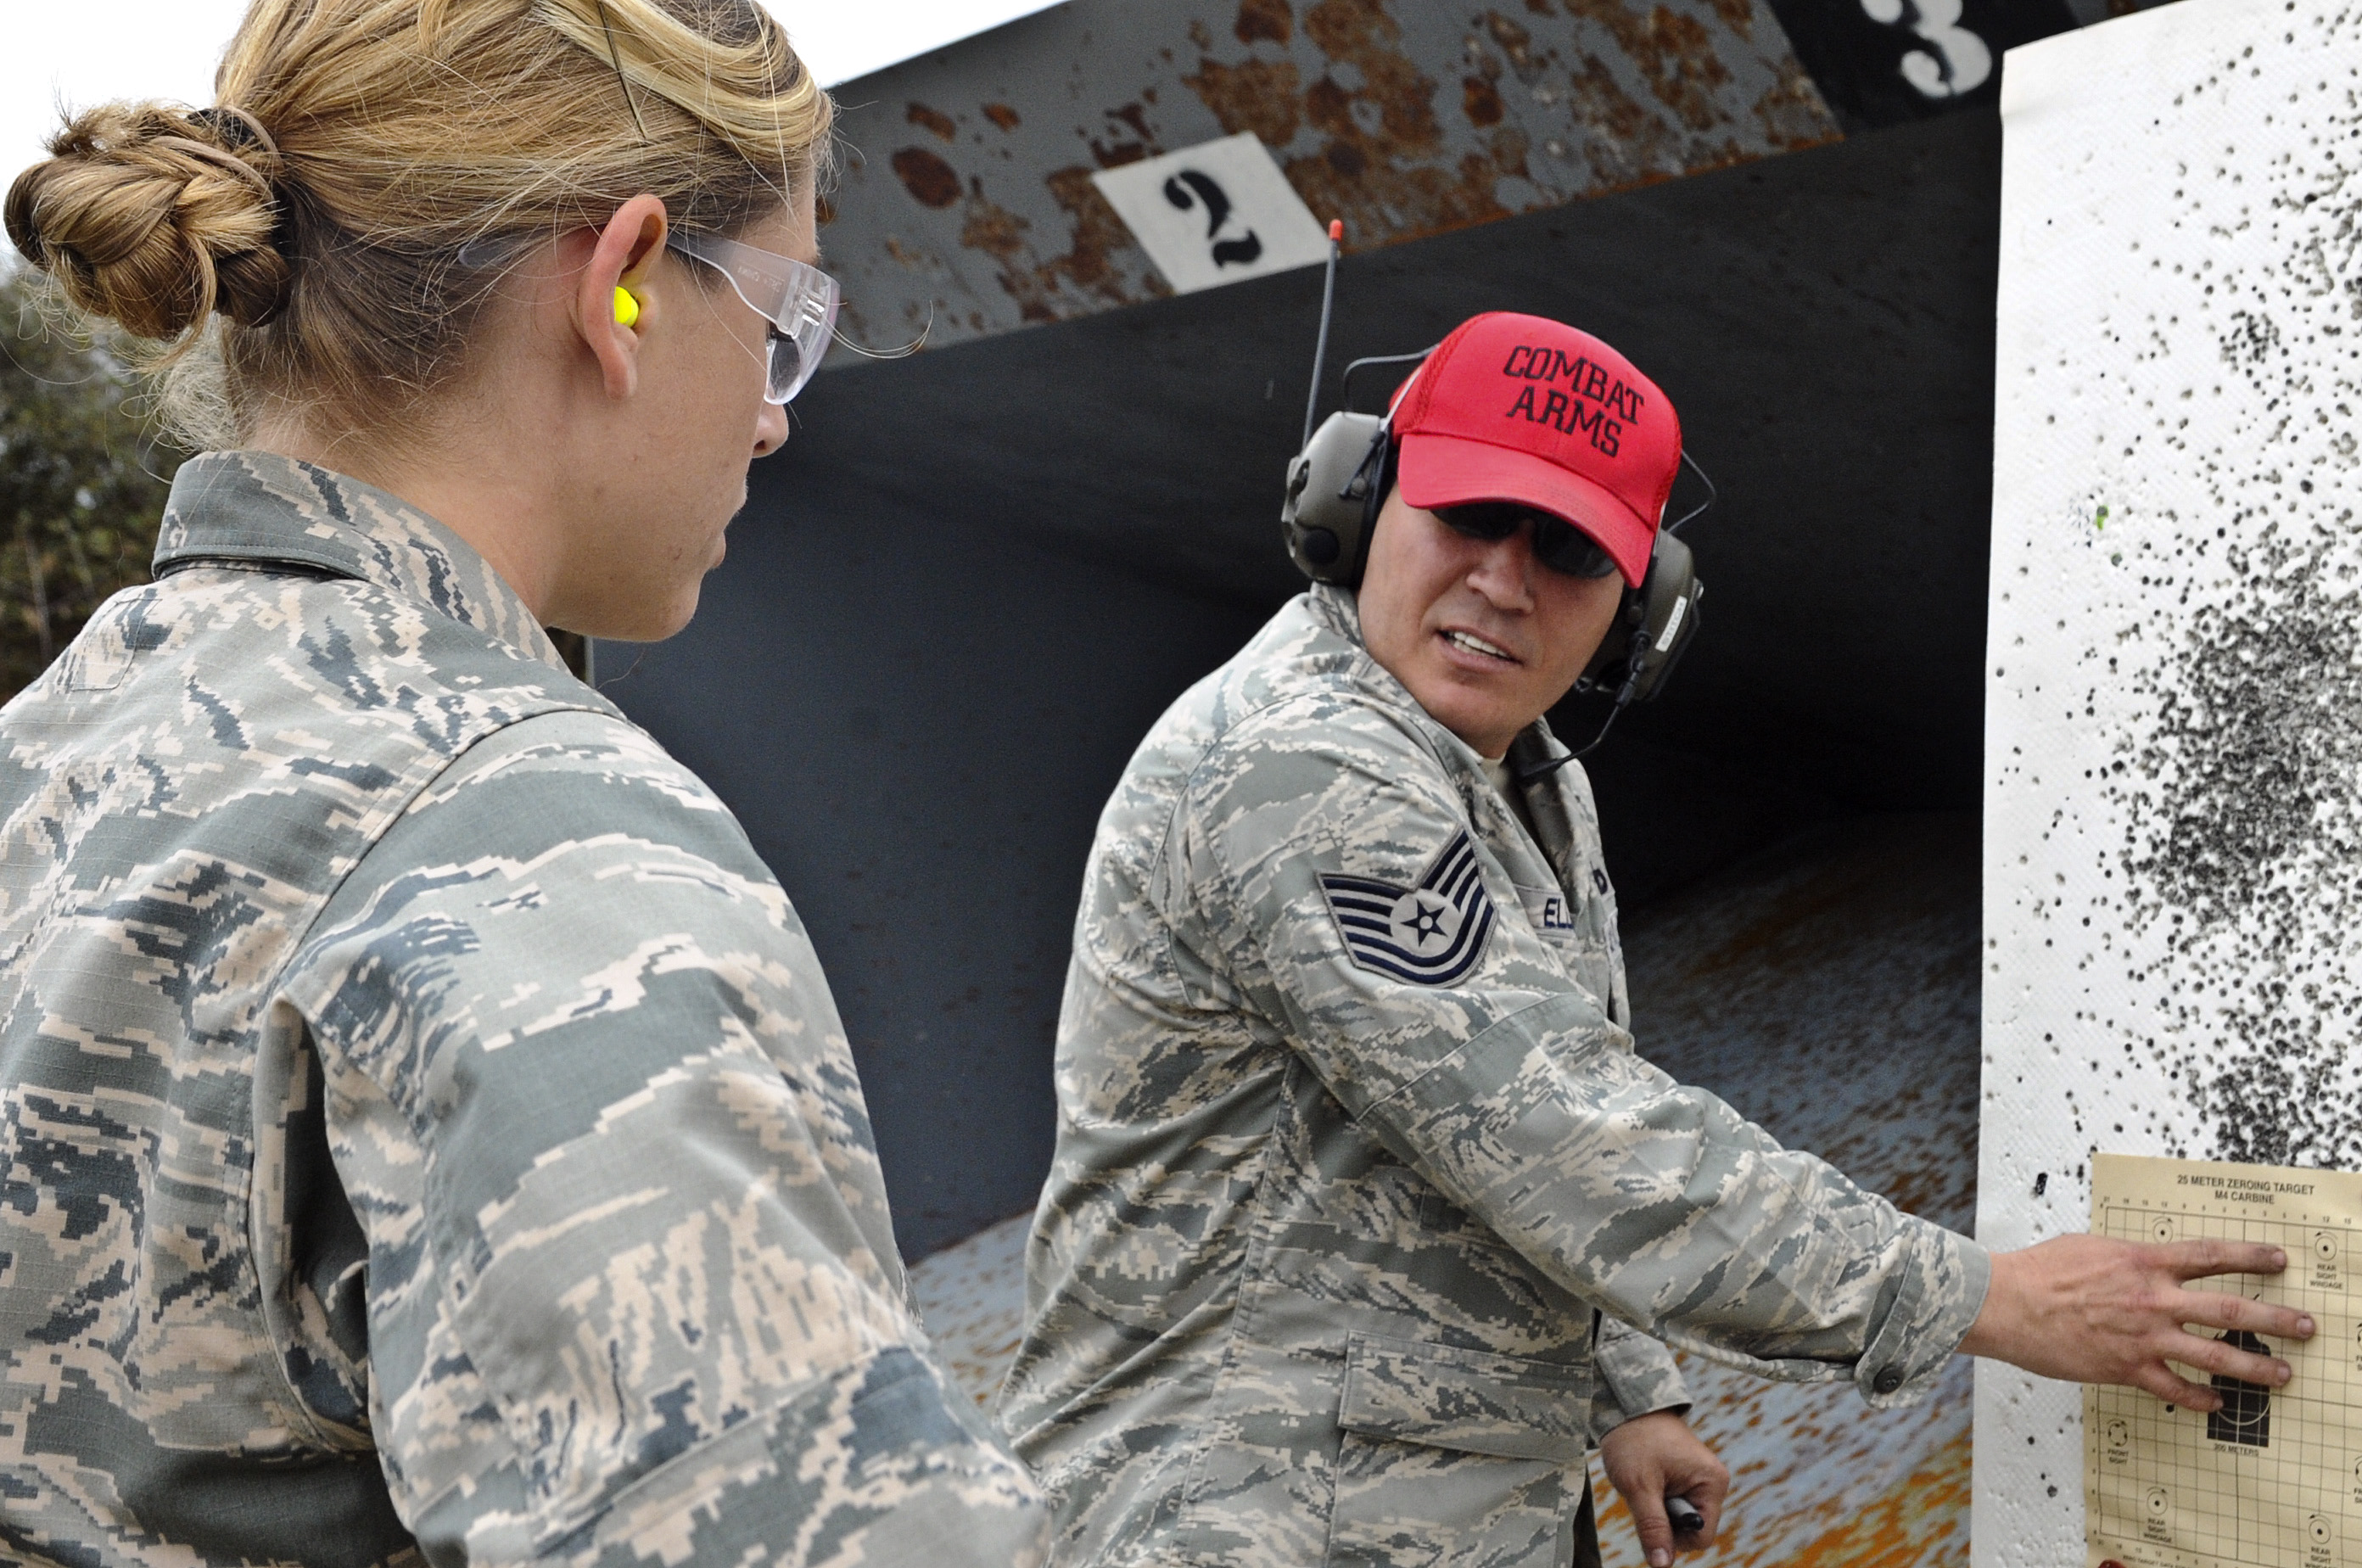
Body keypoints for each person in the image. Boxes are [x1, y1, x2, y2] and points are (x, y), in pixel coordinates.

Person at [993, 311, 2313, 1568]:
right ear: (1357, 502)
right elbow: (1563, 1134)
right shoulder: (1302, 768)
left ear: (1641, 610)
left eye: (1566, 550)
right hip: (1236, 1513)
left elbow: (1480, 1115)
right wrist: (1993, 1301)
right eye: (1466, 514)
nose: (1502, 583)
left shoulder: (1524, 769)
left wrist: (1622, 1386)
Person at [0, 2, 1045, 1564]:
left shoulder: (54, 749)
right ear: (622, 282)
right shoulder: (538, 851)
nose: (770, 412)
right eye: (781, 319)